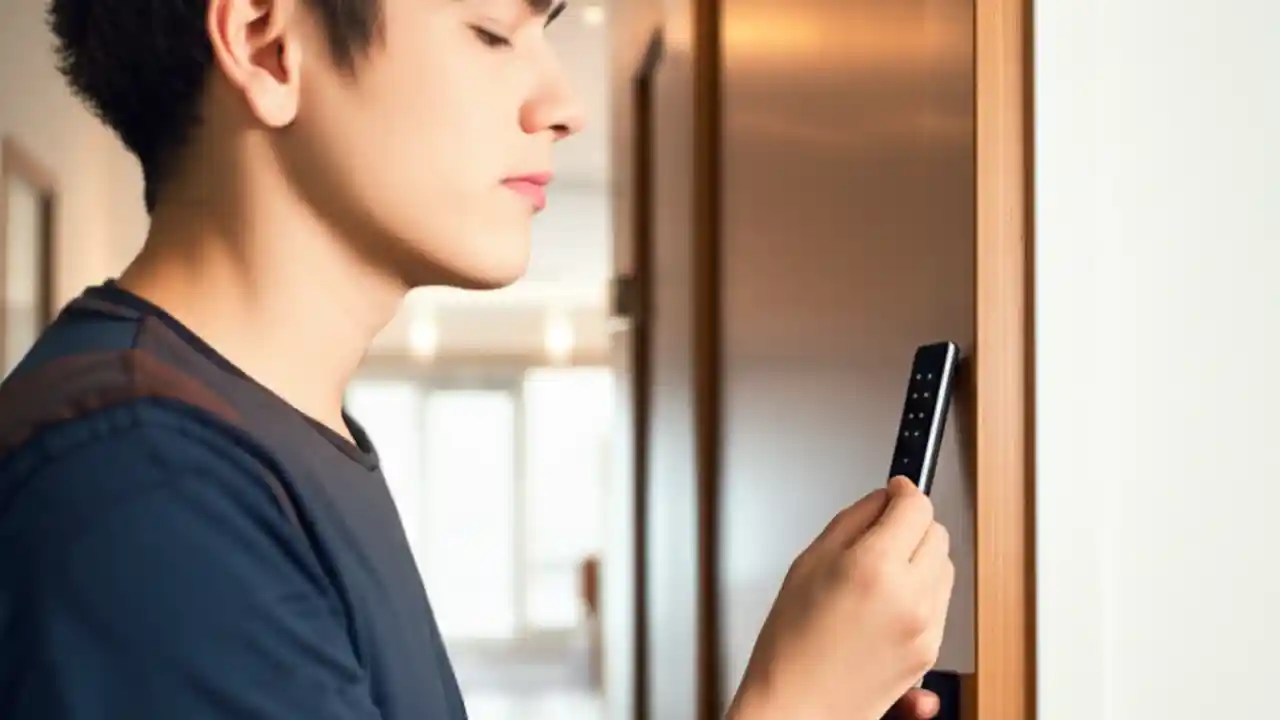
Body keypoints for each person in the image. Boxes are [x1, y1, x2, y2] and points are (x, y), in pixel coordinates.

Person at [0, 0, 956, 718]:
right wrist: (800, 702)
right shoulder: (140, 479)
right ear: (266, 43)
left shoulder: (269, 438)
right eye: (493, 32)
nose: (563, 105)